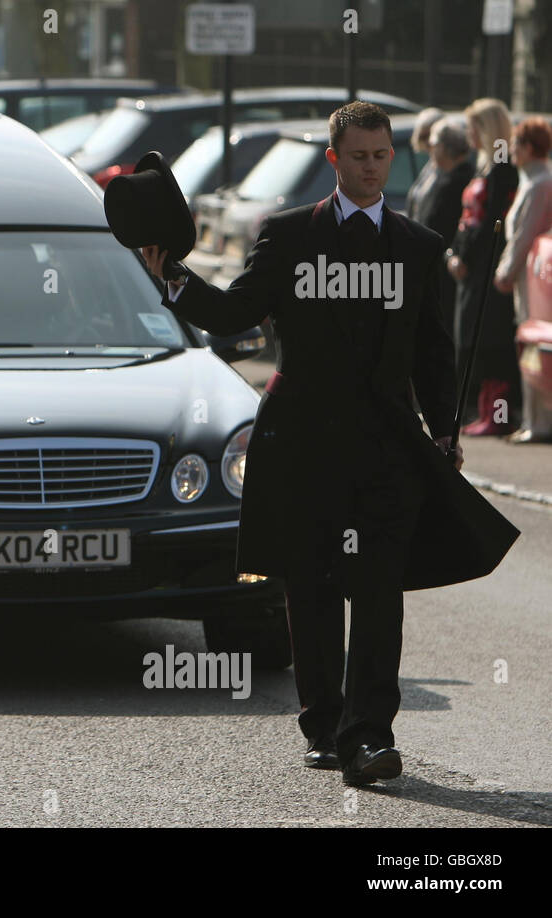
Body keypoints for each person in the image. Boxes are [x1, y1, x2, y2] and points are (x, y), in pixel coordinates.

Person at [138, 102, 518, 788]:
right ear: (334, 160)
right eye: (359, 156)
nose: (372, 168)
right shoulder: (285, 237)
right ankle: (324, 724)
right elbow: (232, 313)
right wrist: (171, 278)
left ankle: (370, 736)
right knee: (309, 587)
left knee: (378, 592)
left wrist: (445, 431)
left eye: (382, 156)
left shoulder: (419, 247)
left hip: (387, 450)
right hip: (301, 439)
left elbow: (435, 355)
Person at [448, 98, 520, 436]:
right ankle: (487, 411)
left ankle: (500, 416)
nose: (469, 134)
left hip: (488, 266)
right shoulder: (485, 165)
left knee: (493, 340)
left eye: (474, 127)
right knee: (476, 340)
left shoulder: (502, 166)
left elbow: (493, 217)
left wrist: (470, 254)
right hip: (473, 266)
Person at [494, 116, 552, 443]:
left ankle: (538, 422)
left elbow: (524, 235)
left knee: (532, 343)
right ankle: (535, 419)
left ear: (528, 148)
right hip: (532, 276)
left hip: (535, 279)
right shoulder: (536, 179)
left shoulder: (540, 182)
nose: (511, 150)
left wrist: (504, 271)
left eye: (516, 144)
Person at [415, 117, 475, 339]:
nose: (430, 148)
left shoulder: (460, 180)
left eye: (434, 143)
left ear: (445, 147)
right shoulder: (442, 176)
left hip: (445, 272)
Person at [405, 107, 445, 223]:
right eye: (424, 136)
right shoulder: (430, 166)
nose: (428, 142)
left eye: (432, 135)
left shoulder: (446, 170)